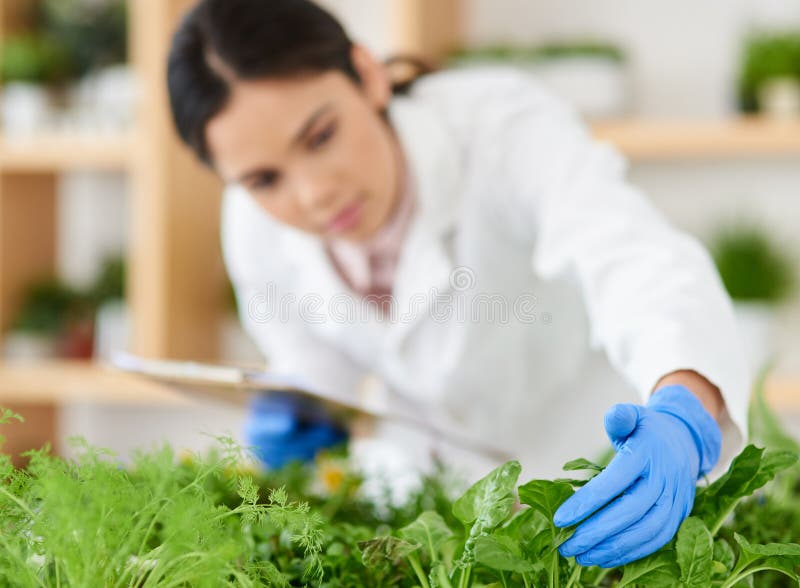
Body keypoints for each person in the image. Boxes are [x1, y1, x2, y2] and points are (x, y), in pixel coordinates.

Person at [167, 0, 749, 568]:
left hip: (597, 472)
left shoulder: (500, 127)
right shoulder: (252, 221)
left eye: (320, 137)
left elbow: (633, 258)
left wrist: (681, 412)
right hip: (428, 506)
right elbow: (313, 358)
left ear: (366, 75)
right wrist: (302, 409)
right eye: (265, 179)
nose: (312, 194)